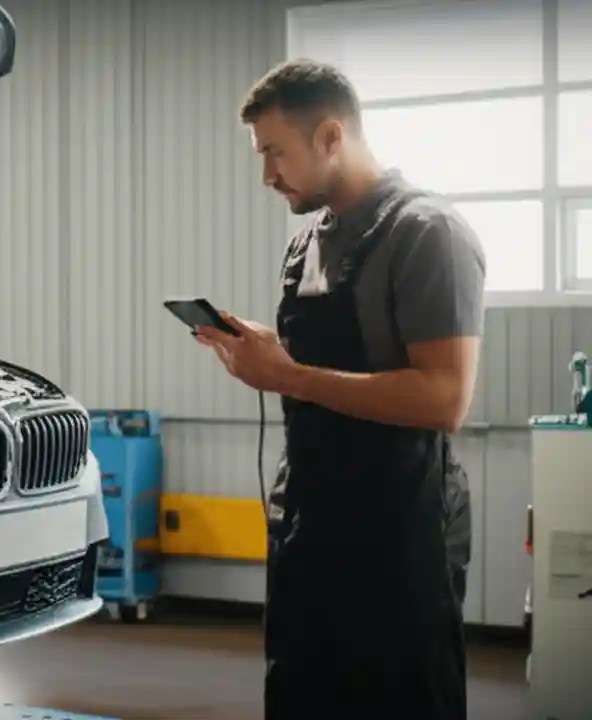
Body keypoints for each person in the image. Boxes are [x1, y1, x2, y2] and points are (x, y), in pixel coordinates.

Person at [195, 58, 484, 719]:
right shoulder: (306, 245)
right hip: (309, 514)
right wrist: (263, 354)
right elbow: (326, 366)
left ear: (331, 136)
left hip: (398, 526)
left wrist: (288, 375)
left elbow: (445, 399)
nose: (267, 174)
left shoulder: (425, 233)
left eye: (275, 152)